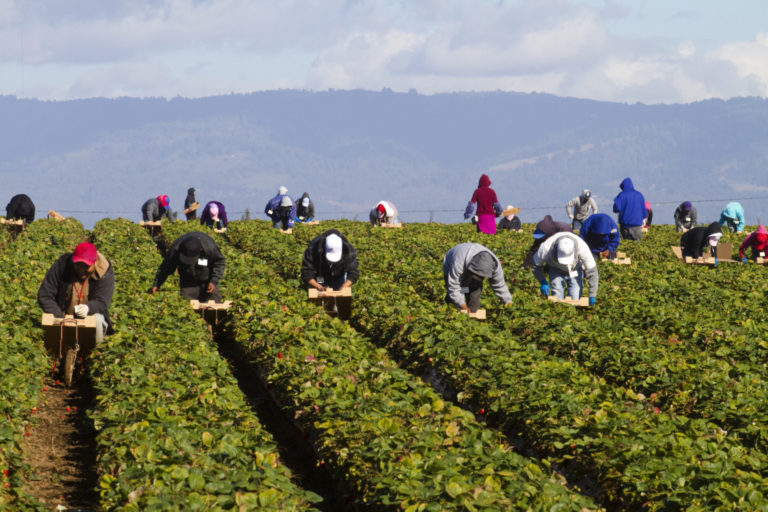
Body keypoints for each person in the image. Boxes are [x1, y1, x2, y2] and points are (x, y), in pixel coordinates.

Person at [38, 241, 114, 343]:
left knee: (98, 320)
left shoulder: (104, 271)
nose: (81, 269)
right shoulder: (62, 265)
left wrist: (88, 308)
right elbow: (44, 295)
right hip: (63, 315)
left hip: (90, 317)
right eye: (78, 265)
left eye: (86, 266)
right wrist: (60, 318)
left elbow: (102, 301)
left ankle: (95, 354)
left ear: (94, 262)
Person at [152, 231, 225, 302]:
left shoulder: (209, 247)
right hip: (188, 281)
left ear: (201, 249)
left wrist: (213, 281)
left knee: (213, 306)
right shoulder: (175, 249)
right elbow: (166, 267)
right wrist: (157, 284)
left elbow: (219, 262)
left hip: (208, 279)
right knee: (187, 305)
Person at [532, 232, 598, 305]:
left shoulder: (582, 247)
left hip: (575, 269)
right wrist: (542, 282)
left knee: (575, 298)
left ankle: (573, 313)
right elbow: (535, 265)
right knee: (557, 298)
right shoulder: (546, 247)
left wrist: (592, 295)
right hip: (555, 268)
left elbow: (592, 272)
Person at [443, 243, 512, 312]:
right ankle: (450, 307)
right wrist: (463, 306)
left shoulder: (495, 266)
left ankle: (473, 311)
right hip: (451, 261)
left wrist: (508, 303)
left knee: (473, 289)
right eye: (475, 275)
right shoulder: (458, 263)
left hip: (467, 259)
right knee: (457, 292)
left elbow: (500, 286)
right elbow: (454, 287)